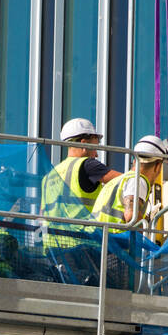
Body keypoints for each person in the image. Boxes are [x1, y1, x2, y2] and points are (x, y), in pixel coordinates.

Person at [40, 118, 119, 283]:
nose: (96, 154)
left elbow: (42, 214)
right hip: (82, 247)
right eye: (95, 147)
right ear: (84, 144)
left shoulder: (49, 177)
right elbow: (126, 182)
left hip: (54, 250)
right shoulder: (87, 165)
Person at [92, 133, 168, 228]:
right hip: (115, 240)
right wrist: (145, 235)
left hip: (101, 238)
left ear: (135, 161)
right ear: (158, 166)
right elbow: (131, 216)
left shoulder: (116, 181)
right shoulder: (138, 180)